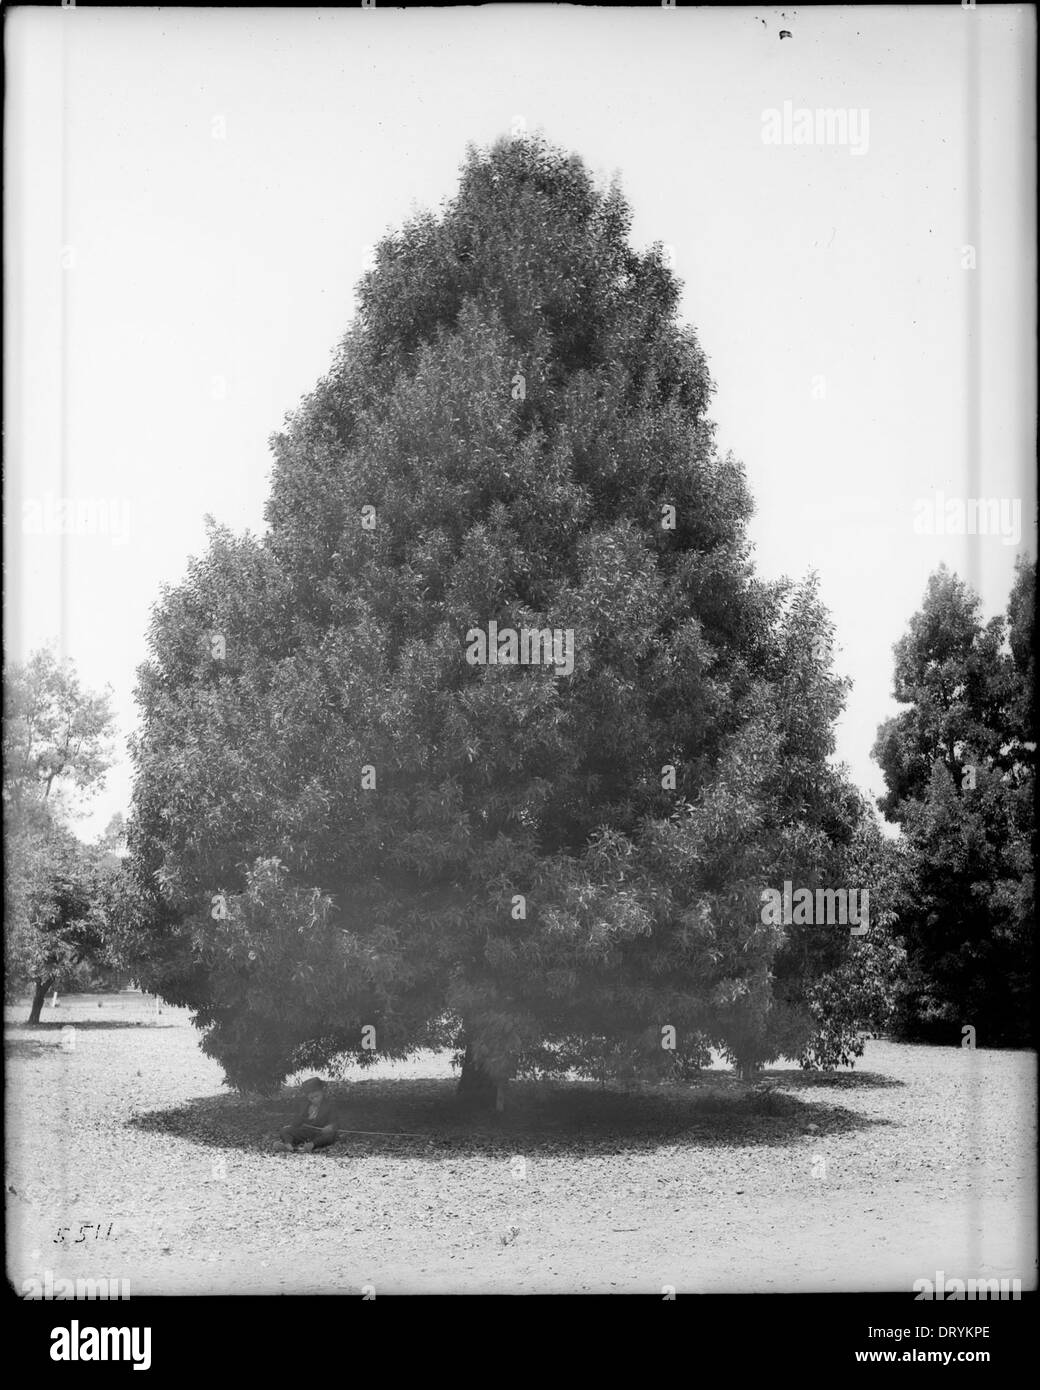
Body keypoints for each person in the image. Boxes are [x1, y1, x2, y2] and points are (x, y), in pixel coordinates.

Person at [274, 1077, 338, 1153]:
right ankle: (289, 1146)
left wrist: (331, 1126)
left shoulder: (329, 1105)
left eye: (317, 1096)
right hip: (305, 1132)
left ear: (322, 1093)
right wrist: (299, 1119)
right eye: (311, 1098)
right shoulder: (304, 1104)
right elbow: (295, 1123)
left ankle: (311, 1145)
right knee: (285, 1130)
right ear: (307, 1097)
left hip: (320, 1133)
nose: (314, 1099)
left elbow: (335, 1121)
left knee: (330, 1136)